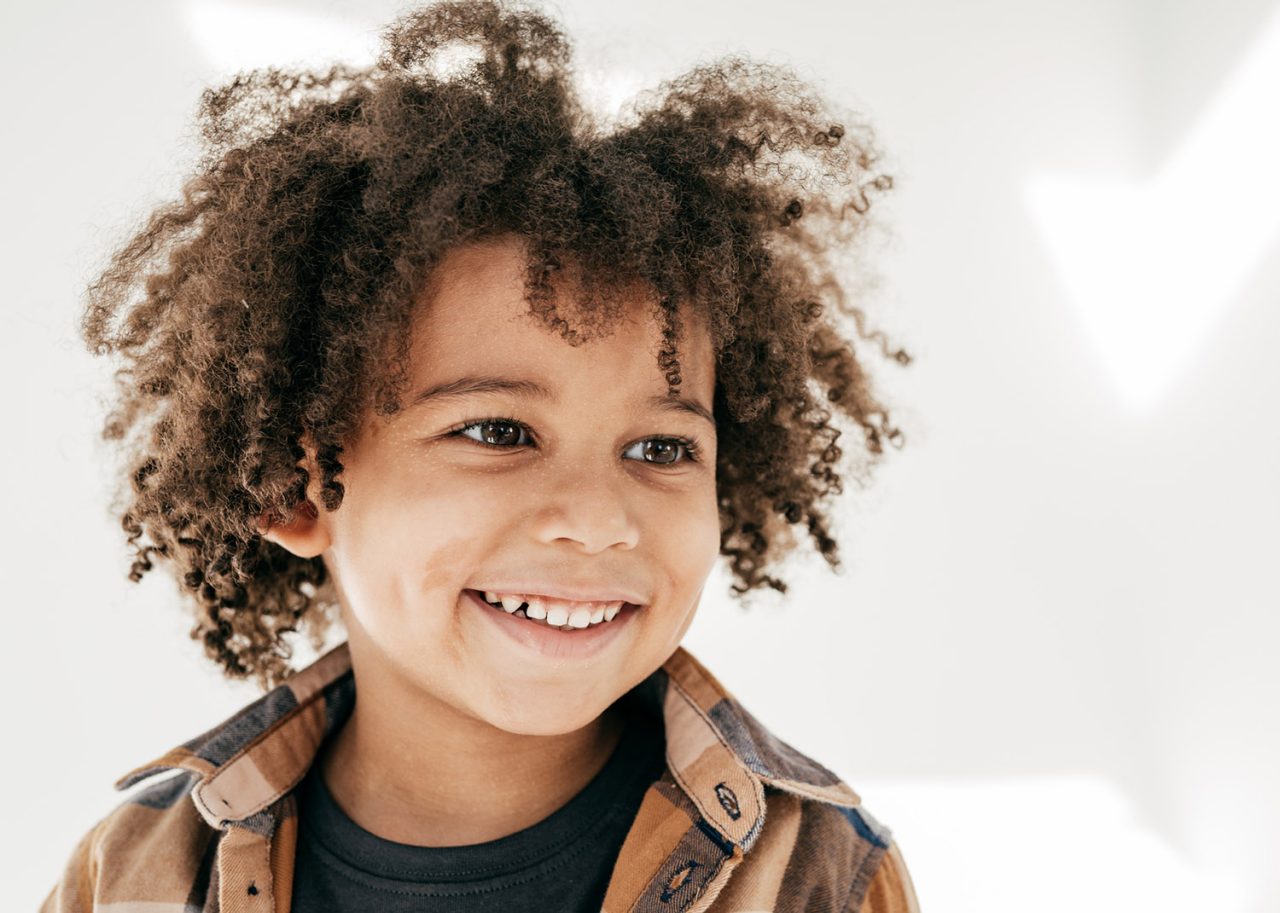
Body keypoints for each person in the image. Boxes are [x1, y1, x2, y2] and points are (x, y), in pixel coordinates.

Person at [41, 0, 918, 910]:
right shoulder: (137, 870)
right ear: (294, 487)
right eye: (498, 431)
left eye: (661, 446)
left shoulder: (818, 874)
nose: (596, 518)